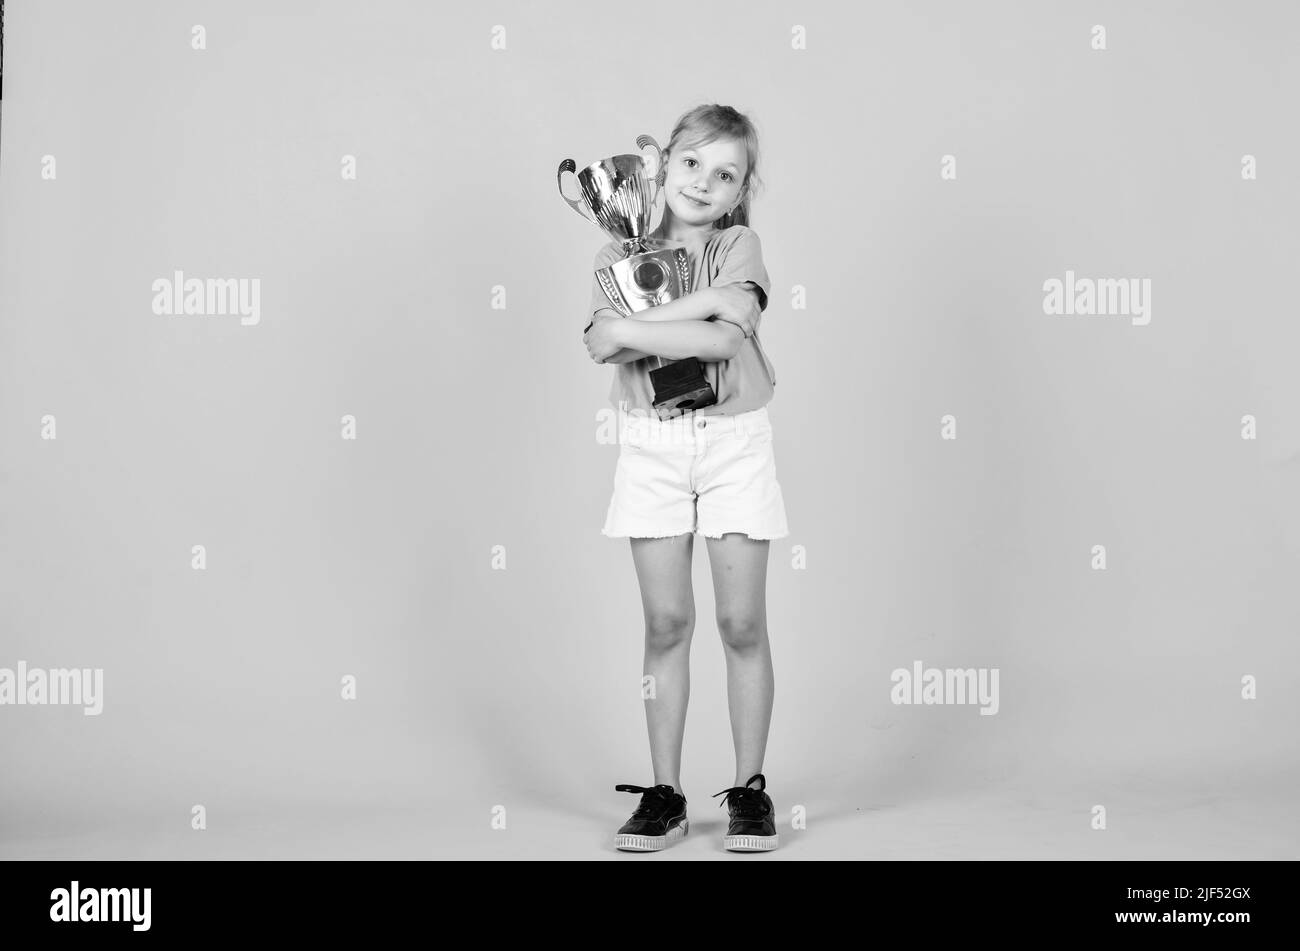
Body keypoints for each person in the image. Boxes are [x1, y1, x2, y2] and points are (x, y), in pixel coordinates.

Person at [581, 104, 788, 853]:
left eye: (724, 173)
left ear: (739, 193)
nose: (704, 183)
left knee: (740, 623)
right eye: (693, 162)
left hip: (734, 441)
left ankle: (750, 790)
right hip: (652, 443)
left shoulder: (740, 243)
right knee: (667, 623)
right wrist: (695, 314)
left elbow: (728, 334)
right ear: (663, 164)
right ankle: (665, 793)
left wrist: (632, 327)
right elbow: (610, 344)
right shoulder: (618, 250)